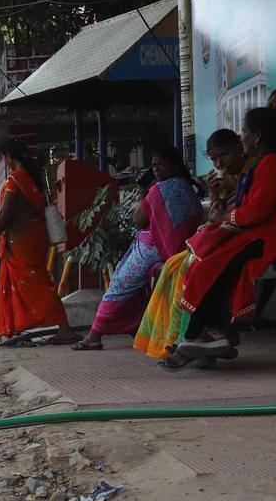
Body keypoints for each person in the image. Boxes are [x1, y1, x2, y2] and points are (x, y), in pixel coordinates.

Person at [146, 109, 276, 369]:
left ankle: (206, 334)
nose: (242, 137)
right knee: (206, 262)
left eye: (245, 132)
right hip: (262, 232)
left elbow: (257, 211)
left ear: (257, 136)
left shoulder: (273, 163)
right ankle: (209, 333)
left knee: (210, 264)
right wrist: (222, 208)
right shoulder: (267, 161)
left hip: (272, 237)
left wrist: (226, 217)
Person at [73, 147, 204, 350]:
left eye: (161, 165)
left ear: (175, 167)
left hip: (153, 247)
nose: (156, 169)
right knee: (132, 288)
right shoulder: (187, 187)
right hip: (180, 248)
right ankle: (136, 328)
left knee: (119, 285)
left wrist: (144, 194)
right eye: (154, 165)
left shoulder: (159, 190)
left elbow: (139, 220)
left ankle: (94, 335)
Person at [134, 129, 245, 360]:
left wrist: (233, 189)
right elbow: (218, 213)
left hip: (239, 238)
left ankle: (195, 336)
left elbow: (250, 209)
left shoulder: (248, 174)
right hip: (216, 238)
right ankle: (187, 338)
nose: (219, 163)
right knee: (174, 266)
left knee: (190, 267)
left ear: (239, 149)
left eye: (223, 155)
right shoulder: (227, 179)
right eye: (214, 159)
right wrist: (215, 195)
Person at [0, 138, 78, 344]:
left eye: (3, 157)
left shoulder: (15, 179)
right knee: (34, 282)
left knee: (36, 284)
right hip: (35, 238)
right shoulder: (33, 178)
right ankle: (17, 331)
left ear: (8, 157)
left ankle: (64, 328)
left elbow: (5, 212)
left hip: (21, 241)